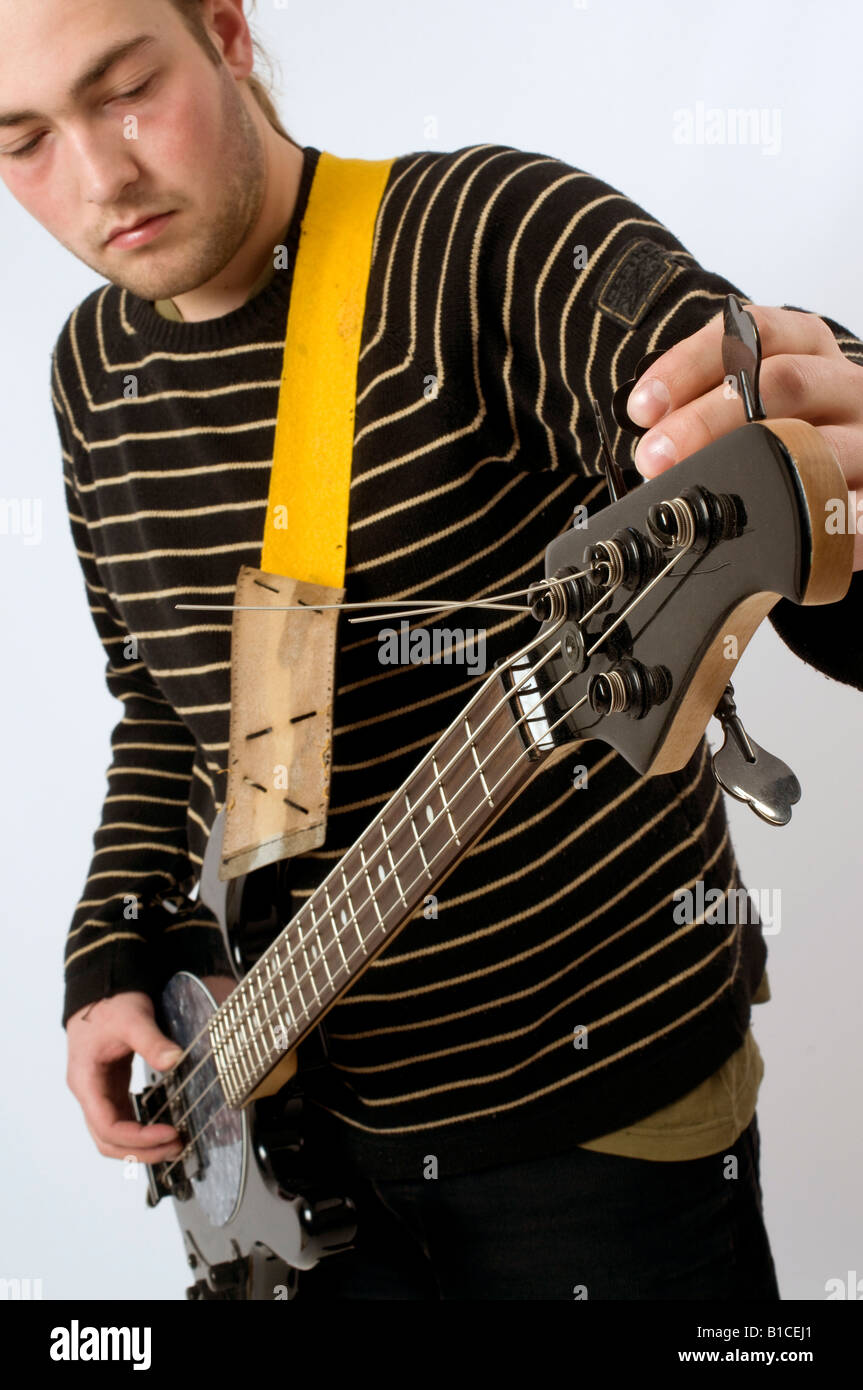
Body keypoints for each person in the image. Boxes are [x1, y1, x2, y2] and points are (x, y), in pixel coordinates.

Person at [6, 0, 862, 1299]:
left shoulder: (488, 239)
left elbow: (756, 430)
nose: (99, 175)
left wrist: (834, 465)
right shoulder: (90, 375)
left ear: (227, 31)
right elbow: (162, 702)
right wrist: (114, 948)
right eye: (22, 141)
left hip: (604, 1133)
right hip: (298, 1146)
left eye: (125, 87)